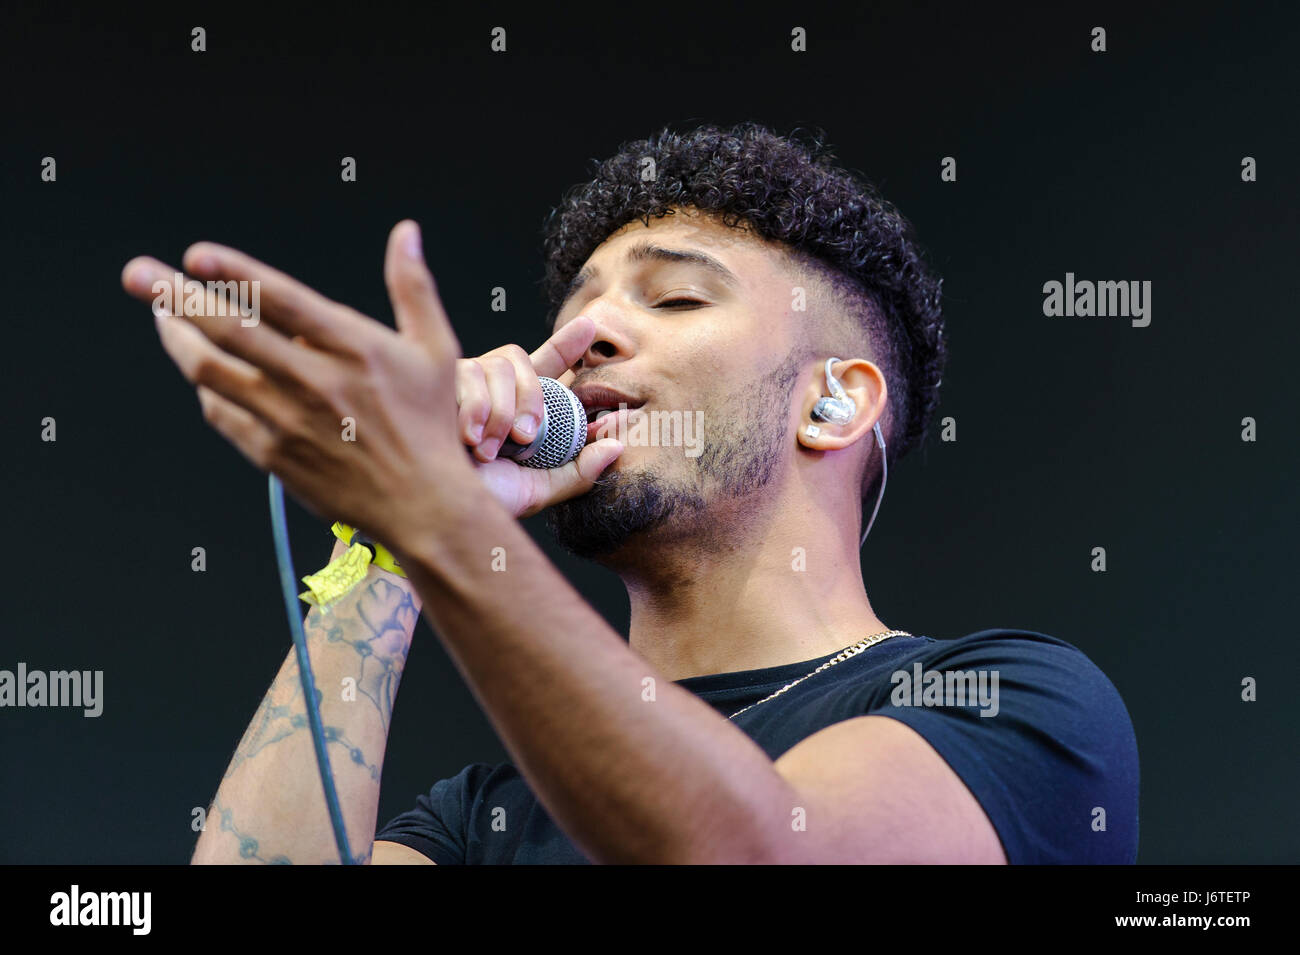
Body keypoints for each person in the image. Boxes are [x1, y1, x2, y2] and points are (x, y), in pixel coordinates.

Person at [122, 123, 1139, 864]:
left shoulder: (1013, 703)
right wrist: (389, 551)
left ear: (832, 402)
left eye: (676, 296)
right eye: (579, 307)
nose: (588, 335)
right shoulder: (483, 821)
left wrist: (436, 518)